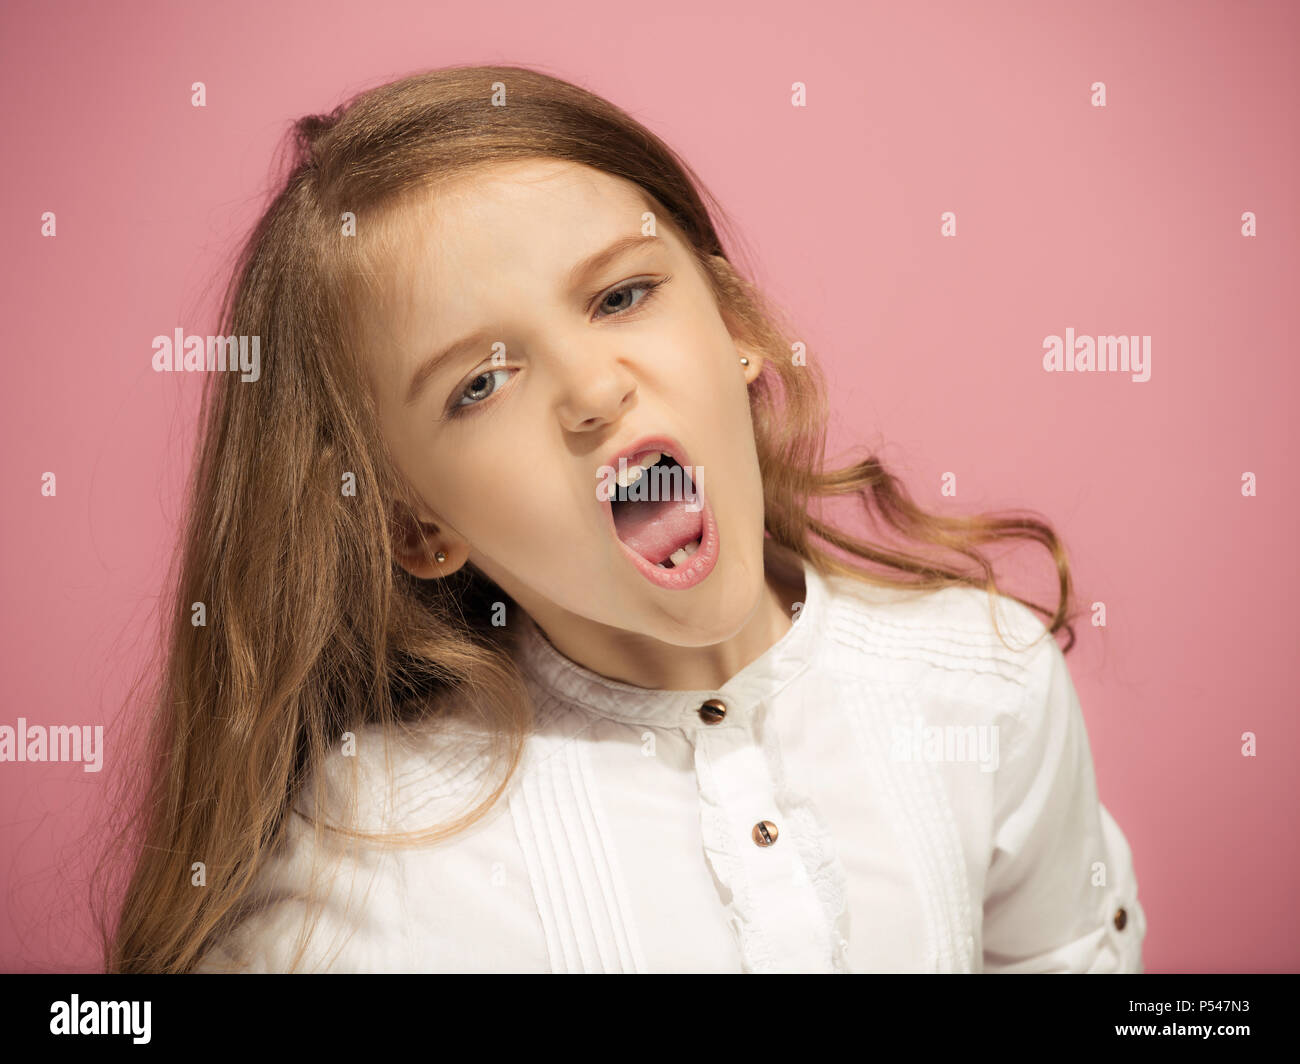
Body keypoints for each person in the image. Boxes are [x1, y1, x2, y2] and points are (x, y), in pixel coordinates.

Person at [102, 64, 1146, 973]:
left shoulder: (982, 684)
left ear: (737, 329)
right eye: (479, 383)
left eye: (619, 296)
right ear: (417, 527)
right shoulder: (367, 854)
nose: (592, 390)